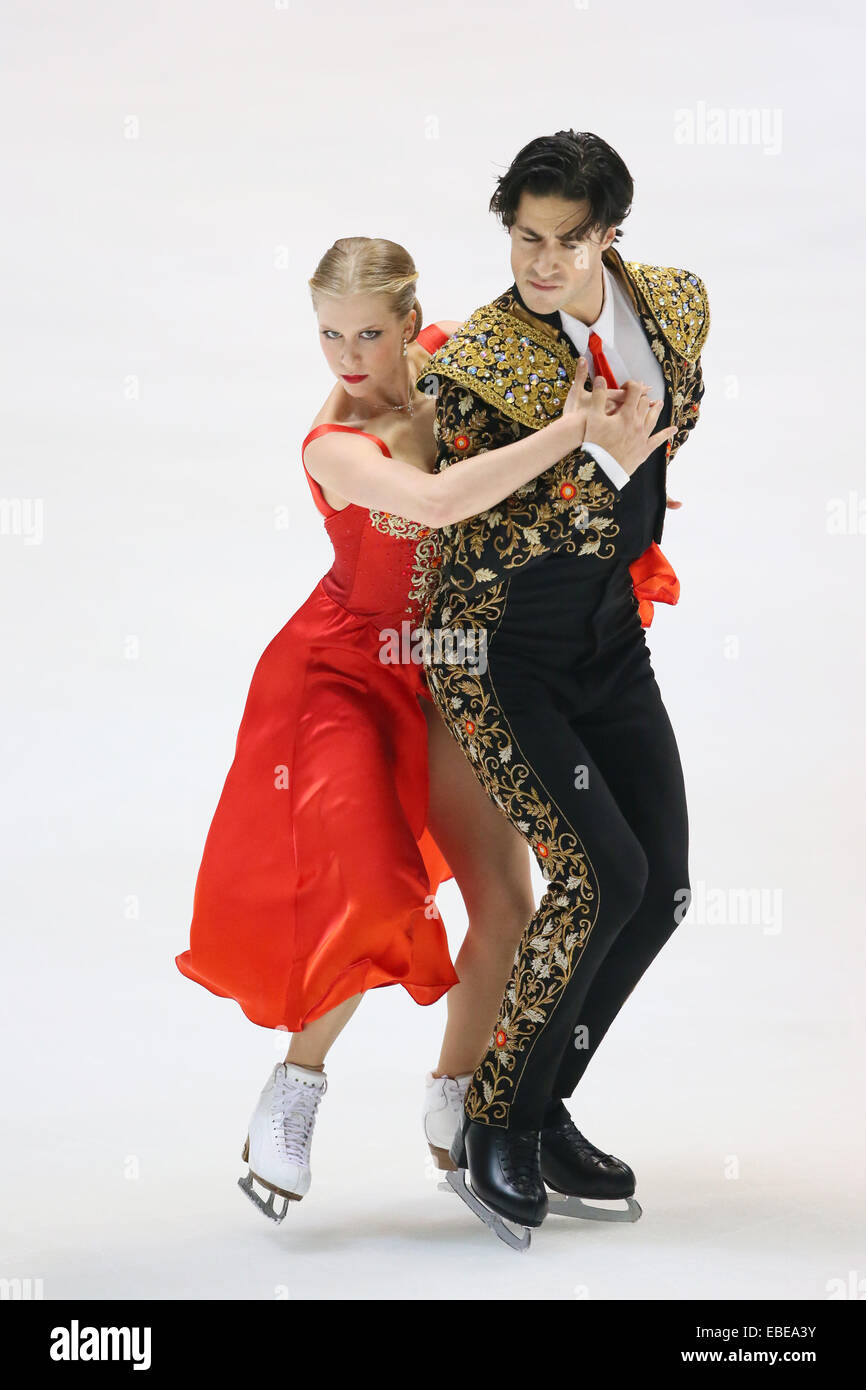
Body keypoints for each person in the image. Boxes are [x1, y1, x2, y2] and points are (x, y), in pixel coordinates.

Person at [174, 236, 654, 1223]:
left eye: (366, 332)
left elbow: (549, 335)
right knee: (375, 887)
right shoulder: (332, 444)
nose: (347, 355)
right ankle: (294, 1088)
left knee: (507, 906)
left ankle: (457, 1103)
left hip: (450, 666)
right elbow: (435, 501)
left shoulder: (446, 361)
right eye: (327, 335)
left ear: (406, 321)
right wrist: (567, 433)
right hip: (343, 673)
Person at [415, 129, 709, 1249]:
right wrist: (593, 458)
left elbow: (679, 415)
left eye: (564, 241)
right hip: (491, 649)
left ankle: (542, 1108)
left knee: (664, 885)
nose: (539, 262)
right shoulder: (477, 366)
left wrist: (639, 461)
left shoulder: (673, 304)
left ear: (608, 237)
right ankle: (495, 1116)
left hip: (605, 637)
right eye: (523, 238)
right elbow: (462, 560)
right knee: (597, 874)